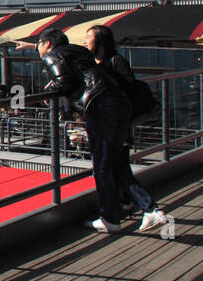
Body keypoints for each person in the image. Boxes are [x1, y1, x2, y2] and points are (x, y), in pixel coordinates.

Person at [37, 27, 133, 233]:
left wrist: (51, 91)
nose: (85, 41)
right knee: (114, 162)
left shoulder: (53, 56)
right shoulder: (80, 53)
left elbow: (65, 81)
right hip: (115, 104)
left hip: (100, 107)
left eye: (38, 44)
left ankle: (115, 216)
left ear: (46, 44)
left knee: (104, 164)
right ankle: (132, 207)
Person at [86, 25, 168, 232]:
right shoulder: (97, 63)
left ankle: (148, 210)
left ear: (100, 42)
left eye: (89, 38)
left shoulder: (116, 62)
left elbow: (129, 88)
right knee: (118, 167)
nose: (85, 42)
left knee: (116, 167)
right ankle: (135, 206)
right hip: (113, 124)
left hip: (118, 124)